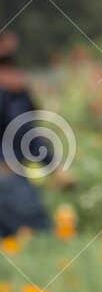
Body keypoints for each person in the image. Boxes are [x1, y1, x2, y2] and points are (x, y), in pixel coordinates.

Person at [0, 28, 54, 235]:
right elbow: (22, 129)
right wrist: (53, 165)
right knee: (44, 242)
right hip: (8, 178)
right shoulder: (12, 86)